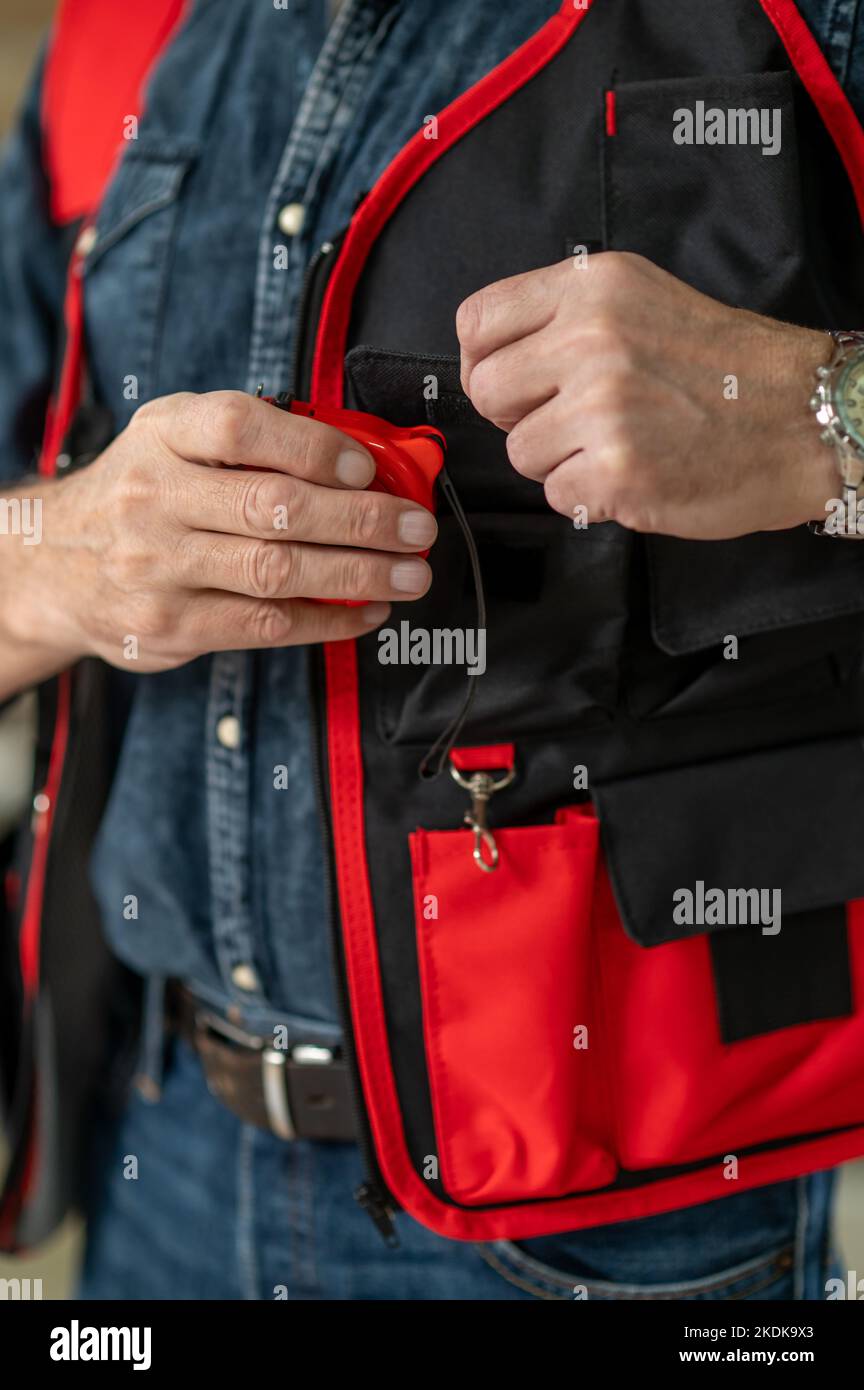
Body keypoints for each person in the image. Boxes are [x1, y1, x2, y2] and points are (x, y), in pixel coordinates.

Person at [1, 0, 863, 1301]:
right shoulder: (118, 41)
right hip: (165, 1156)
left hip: (637, 1224)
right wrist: (52, 558)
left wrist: (820, 415)